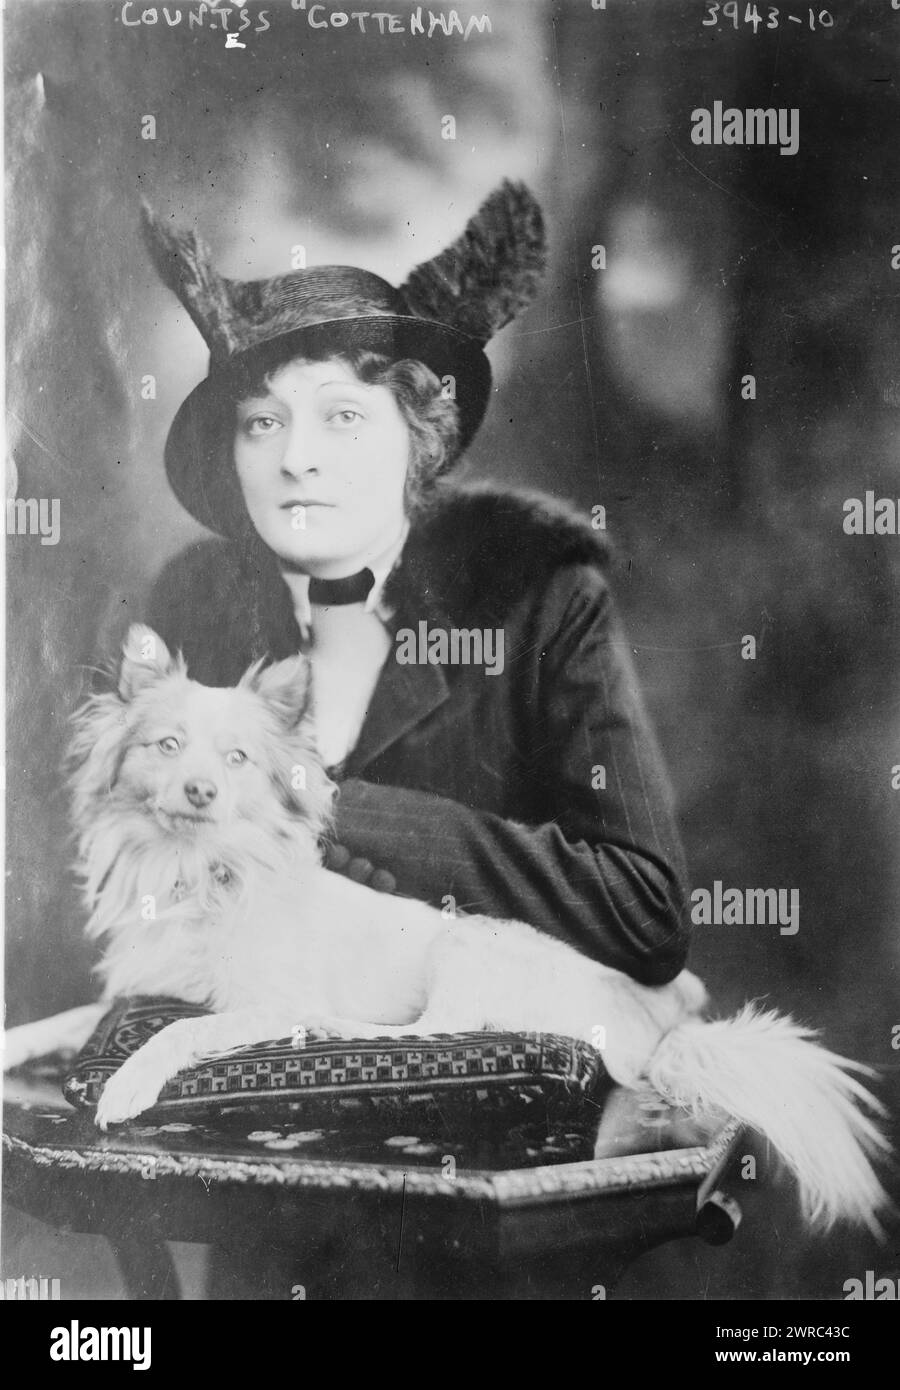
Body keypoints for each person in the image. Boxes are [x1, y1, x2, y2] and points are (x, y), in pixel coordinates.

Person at [140, 180, 689, 987]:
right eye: (263, 422)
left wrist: (340, 810)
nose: (296, 459)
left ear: (418, 440)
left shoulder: (538, 597)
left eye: (343, 417)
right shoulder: (194, 606)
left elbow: (645, 911)